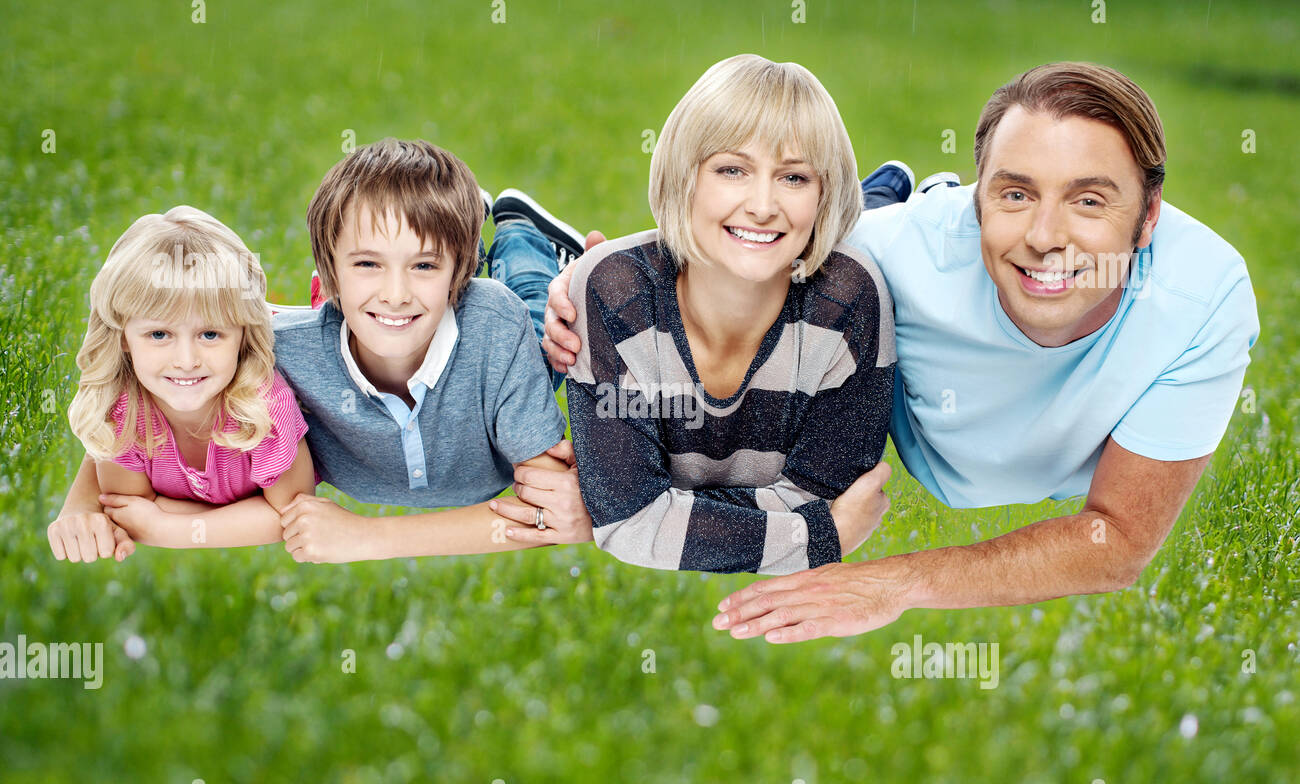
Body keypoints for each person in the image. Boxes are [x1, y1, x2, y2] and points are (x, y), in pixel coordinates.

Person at [542, 62, 1260, 639]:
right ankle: (891, 192)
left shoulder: (1203, 300)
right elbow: (735, 245)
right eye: (1014, 195)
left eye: (1090, 200)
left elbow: (1118, 541)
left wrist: (898, 581)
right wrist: (583, 285)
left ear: (1149, 216)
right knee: (854, 238)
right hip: (895, 253)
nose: (1045, 237)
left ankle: (887, 189)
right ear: (977, 201)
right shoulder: (886, 266)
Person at [52, 139, 593, 563]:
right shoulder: (270, 348)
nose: (395, 293)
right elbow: (151, 379)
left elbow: (545, 514)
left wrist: (367, 537)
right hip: (384, 310)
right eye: (367, 263)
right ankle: (451, 230)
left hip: (498, 341)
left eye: (424, 263)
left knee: (539, 333)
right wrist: (81, 506)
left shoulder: (492, 327)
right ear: (328, 276)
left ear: (457, 274)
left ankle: (521, 233)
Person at [564, 54, 896, 574]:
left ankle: (888, 195)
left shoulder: (851, 299)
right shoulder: (613, 291)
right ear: (685, 177)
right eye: (732, 170)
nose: (762, 205)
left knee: (873, 229)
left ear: (823, 193)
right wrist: (820, 538)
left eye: (794, 177)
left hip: (835, 255)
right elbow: (628, 520)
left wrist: (667, 514)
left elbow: (820, 494)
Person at [48, 206, 315, 560]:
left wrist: (168, 528)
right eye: (159, 334)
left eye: (210, 333)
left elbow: (294, 517)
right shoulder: (121, 411)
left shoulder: (264, 406)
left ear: (243, 334)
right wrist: (247, 518)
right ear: (123, 336)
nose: (186, 361)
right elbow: (128, 509)